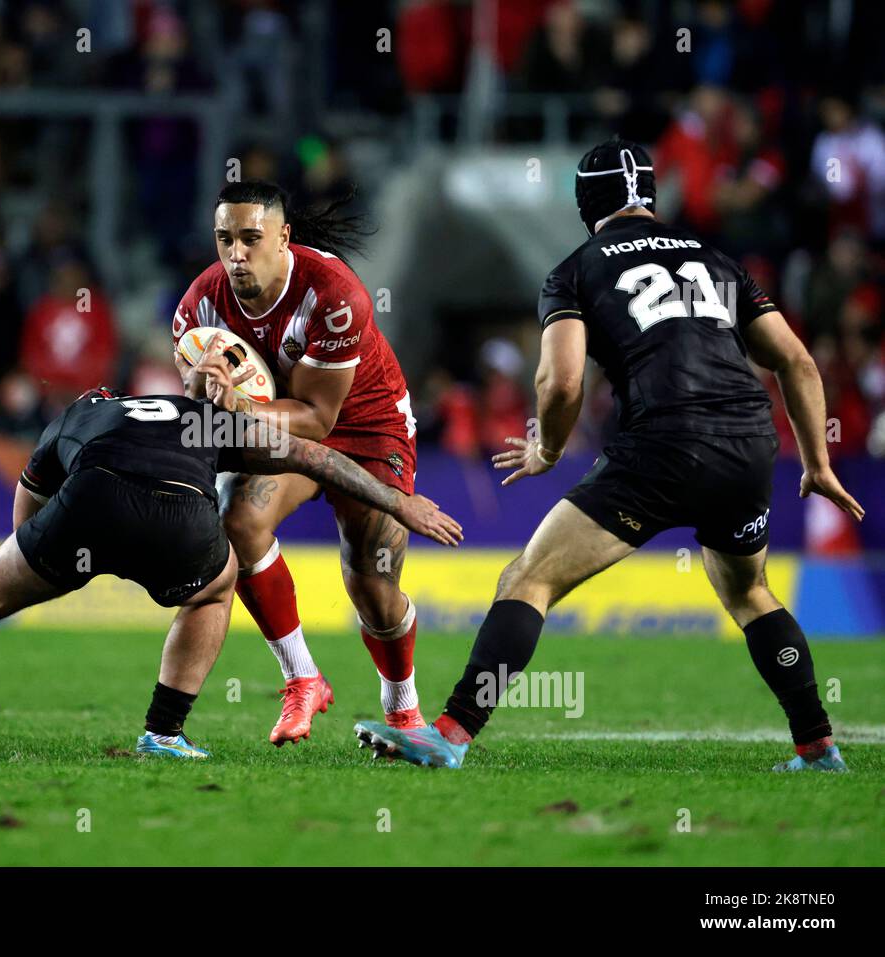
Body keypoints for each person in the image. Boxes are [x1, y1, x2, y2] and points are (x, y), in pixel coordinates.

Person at [356, 139, 862, 773]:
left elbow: (560, 383)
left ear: (583, 202)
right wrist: (817, 462)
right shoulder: (717, 259)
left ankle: (451, 734)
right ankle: (817, 746)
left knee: (528, 579)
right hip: (748, 443)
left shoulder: (576, 269)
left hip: (663, 445)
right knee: (751, 592)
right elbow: (796, 360)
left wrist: (548, 447)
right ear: (650, 193)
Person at [0, 340, 461, 758]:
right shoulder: (210, 420)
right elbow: (318, 457)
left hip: (88, 501)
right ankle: (163, 734)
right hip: (179, 518)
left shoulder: (86, 410)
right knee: (218, 587)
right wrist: (397, 501)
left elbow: (28, 505)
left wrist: (37, 561)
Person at [171, 180, 425, 746]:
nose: (236, 254)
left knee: (371, 585)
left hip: (366, 424)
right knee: (238, 518)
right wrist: (198, 389)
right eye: (224, 240)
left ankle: (403, 708)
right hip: (273, 419)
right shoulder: (199, 309)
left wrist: (238, 403)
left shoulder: (334, 295)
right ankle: (302, 678)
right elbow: (202, 411)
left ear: (283, 238)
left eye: (250, 239)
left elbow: (317, 419)